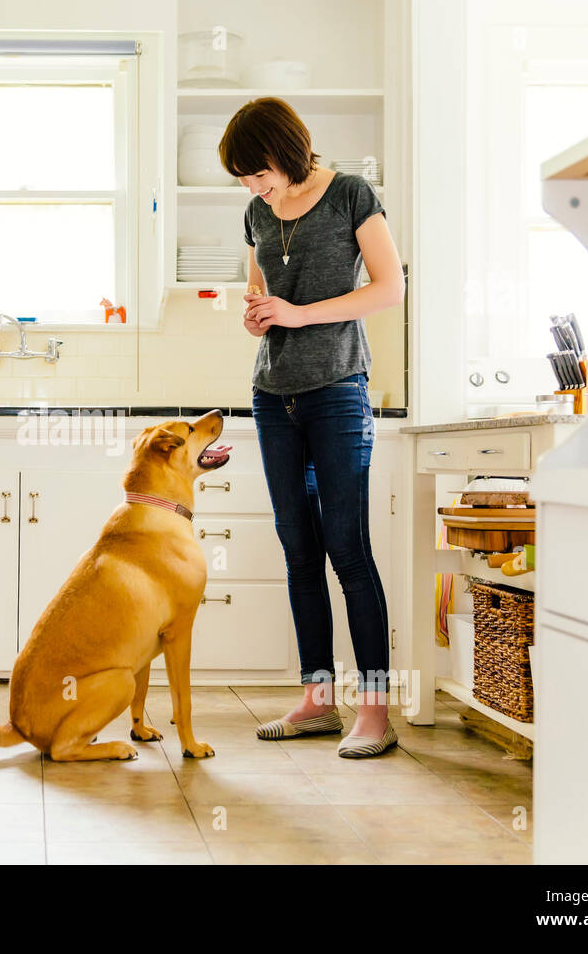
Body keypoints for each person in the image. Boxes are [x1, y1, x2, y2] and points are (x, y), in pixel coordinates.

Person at [218, 97, 406, 757]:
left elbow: (388, 288)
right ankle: (318, 699)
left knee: (347, 548)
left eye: (256, 171)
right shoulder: (256, 211)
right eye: (243, 178)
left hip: (336, 390)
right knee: (299, 551)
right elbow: (258, 291)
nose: (252, 186)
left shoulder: (351, 193)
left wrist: (298, 316)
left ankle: (375, 711)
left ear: (286, 151)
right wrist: (259, 317)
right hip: (274, 393)